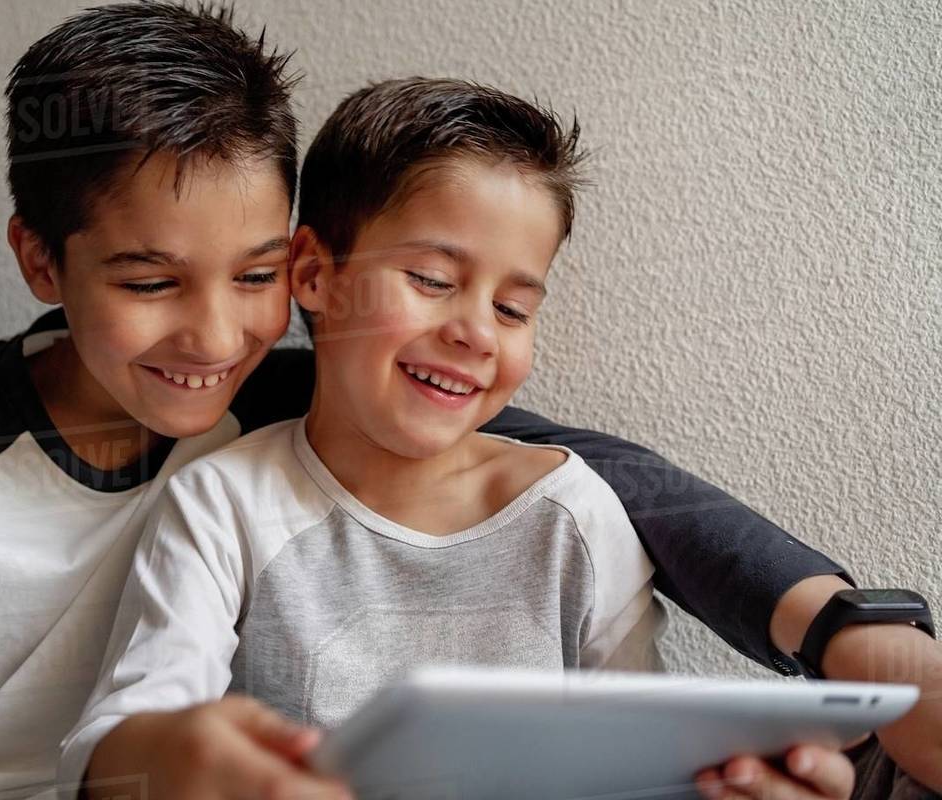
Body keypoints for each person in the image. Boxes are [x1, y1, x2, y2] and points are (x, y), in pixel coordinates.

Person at [0, 3, 924, 798]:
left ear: (305, 275)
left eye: (256, 276)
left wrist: (850, 628)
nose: (216, 337)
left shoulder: (298, 394)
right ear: (43, 261)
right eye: (150, 280)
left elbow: (599, 474)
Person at [61, 77, 928, 800]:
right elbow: (120, 739)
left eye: (514, 307)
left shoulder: (575, 513)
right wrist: (171, 758)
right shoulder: (223, 502)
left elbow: (634, 752)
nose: (478, 331)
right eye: (433, 280)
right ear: (315, 275)